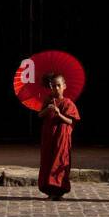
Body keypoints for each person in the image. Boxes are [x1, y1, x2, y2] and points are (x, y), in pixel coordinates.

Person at [37, 72, 80, 201]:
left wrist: (59, 113)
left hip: (62, 138)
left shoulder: (68, 103)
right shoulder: (48, 100)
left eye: (58, 85)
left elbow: (72, 121)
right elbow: (40, 115)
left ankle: (59, 191)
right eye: (53, 86)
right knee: (48, 161)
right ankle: (50, 191)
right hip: (49, 136)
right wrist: (48, 109)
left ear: (64, 86)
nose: (56, 88)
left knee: (60, 161)